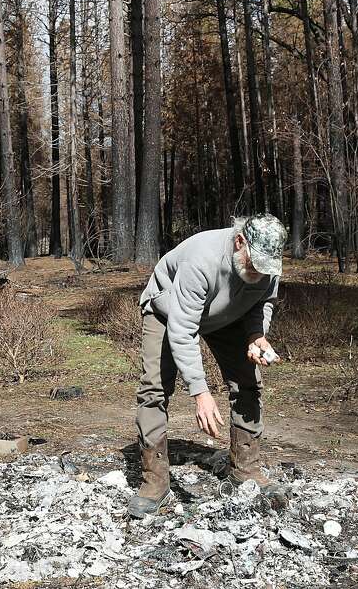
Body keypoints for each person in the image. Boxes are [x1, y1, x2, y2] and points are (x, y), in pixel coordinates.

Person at [128, 214, 287, 518]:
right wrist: (200, 392)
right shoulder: (203, 259)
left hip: (225, 316)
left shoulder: (268, 264)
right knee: (154, 388)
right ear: (240, 242)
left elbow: (263, 301)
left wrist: (257, 336)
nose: (259, 272)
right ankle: (155, 482)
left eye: (265, 268)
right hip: (168, 311)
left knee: (248, 382)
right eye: (253, 264)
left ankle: (245, 469)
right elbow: (182, 329)